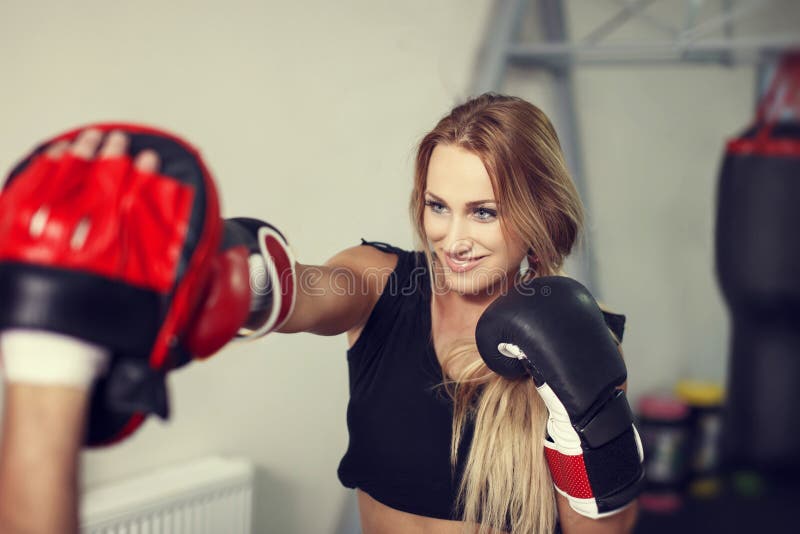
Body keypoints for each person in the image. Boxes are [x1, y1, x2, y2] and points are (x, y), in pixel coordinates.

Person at [0, 93, 642, 534]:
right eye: (437, 206)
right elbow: (300, 289)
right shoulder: (380, 281)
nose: (453, 238)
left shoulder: (574, 332)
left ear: (539, 214)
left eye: (484, 211)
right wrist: (208, 272)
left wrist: (580, 411)